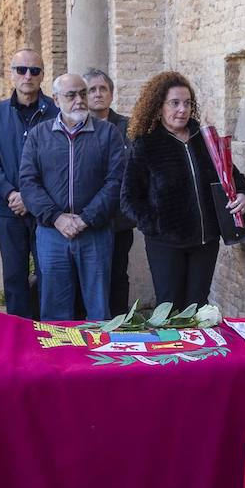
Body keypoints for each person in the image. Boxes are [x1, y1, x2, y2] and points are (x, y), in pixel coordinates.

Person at [121, 71, 245, 309]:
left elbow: (238, 182)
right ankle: (172, 348)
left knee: (198, 308)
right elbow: (129, 199)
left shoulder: (206, 141)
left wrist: (244, 196)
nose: (182, 109)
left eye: (187, 103)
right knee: (169, 308)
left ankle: (197, 348)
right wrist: (155, 224)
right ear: (159, 106)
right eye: (174, 103)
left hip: (206, 242)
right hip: (166, 244)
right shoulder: (146, 145)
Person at [18, 73, 126, 321]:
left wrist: (86, 218)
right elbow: (28, 182)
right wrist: (56, 218)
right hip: (52, 234)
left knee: (98, 307)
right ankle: (58, 358)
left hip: (95, 232)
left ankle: (99, 357)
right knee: (55, 307)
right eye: (70, 95)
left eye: (82, 93)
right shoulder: (38, 135)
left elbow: (115, 181)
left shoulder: (108, 133)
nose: (79, 100)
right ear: (56, 100)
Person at [0, 49, 58, 317]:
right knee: (14, 277)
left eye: (34, 71)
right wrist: (11, 192)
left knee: (50, 274)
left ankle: (48, 333)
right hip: (9, 209)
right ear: (12, 74)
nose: (28, 76)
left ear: (42, 75)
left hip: (45, 210)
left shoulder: (56, 114)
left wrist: (31, 197)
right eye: (22, 70)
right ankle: (18, 334)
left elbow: (60, 165)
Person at [84, 68, 136, 315]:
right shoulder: (77, 128)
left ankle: (119, 325)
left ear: (112, 94)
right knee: (88, 276)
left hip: (118, 219)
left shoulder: (129, 127)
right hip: (86, 218)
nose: (97, 94)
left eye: (102, 89)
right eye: (91, 90)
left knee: (117, 274)